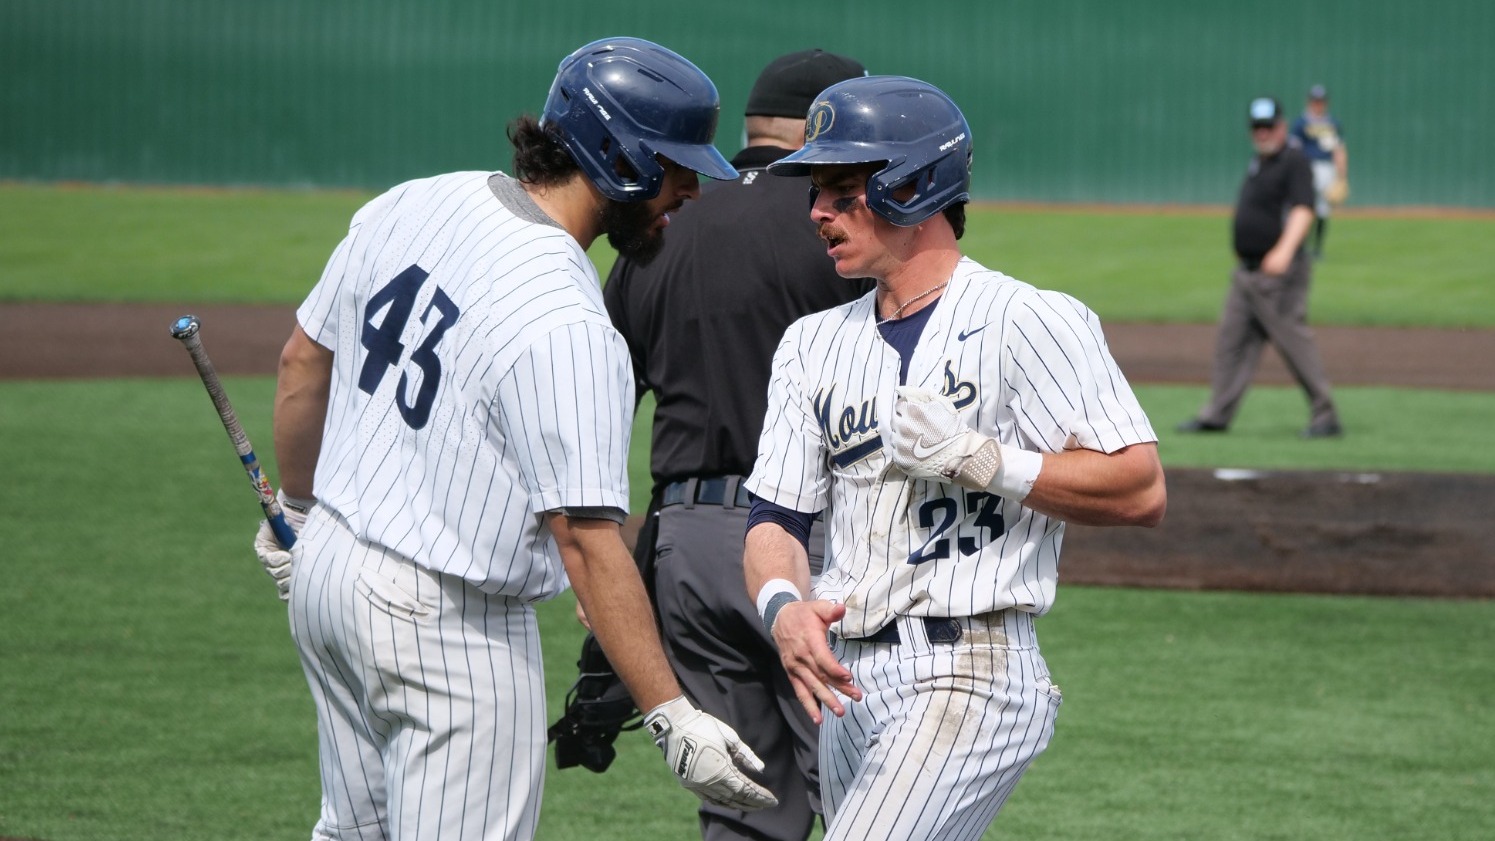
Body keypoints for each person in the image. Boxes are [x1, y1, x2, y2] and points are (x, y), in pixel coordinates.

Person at [250, 37, 778, 840]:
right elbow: (584, 540)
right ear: (622, 160)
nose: (690, 191)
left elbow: (300, 363)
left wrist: (296, 514)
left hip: (329, 575)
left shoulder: (414, 200)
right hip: (446, 621)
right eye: (676, 168)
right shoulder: (566, 317)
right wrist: (670, 712)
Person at [740, 75, 1167, 841]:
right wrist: (782, 606)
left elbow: (1138, 487)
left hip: (972, 668)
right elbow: (775, 515)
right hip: (846, 681)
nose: (817, 212)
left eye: (841, 191)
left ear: (912, 185)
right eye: (817, 192)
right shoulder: (811, 343)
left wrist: (981, 458)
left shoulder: (1027, 319)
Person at [602, 49, 873, 841]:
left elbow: (605, 397)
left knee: (742, 804)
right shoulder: (840, 224)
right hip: (802, 545)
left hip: (683, 549)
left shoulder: (665, 223)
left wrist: (611, 563)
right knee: (870, 797)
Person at [1178, 96, 1344, 439]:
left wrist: (1284, 250)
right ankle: (1217, 414)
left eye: (1268, 126)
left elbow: (1304, 209)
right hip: (1247, 273)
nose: (1263, 133)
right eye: (1257, 127)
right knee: (1230, 343)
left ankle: (1325, 415)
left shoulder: (1294, 160)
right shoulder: (1261, 161)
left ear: (1282, 126)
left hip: (1279, 275)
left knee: (1294, 344)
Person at [1290, 84, 1349, 257]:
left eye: (1321, 101)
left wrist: (1342, 175)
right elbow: (1294, 149)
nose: (1318, 104)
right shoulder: (1301, 123)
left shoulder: (1333, 123)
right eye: (1315, 101)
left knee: (1323, 209)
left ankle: (1317, 248)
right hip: (1307, 166)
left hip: (1327, 168)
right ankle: (1301, 245)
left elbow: (1339, 150)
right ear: (1309, 102)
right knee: (1304, 206)